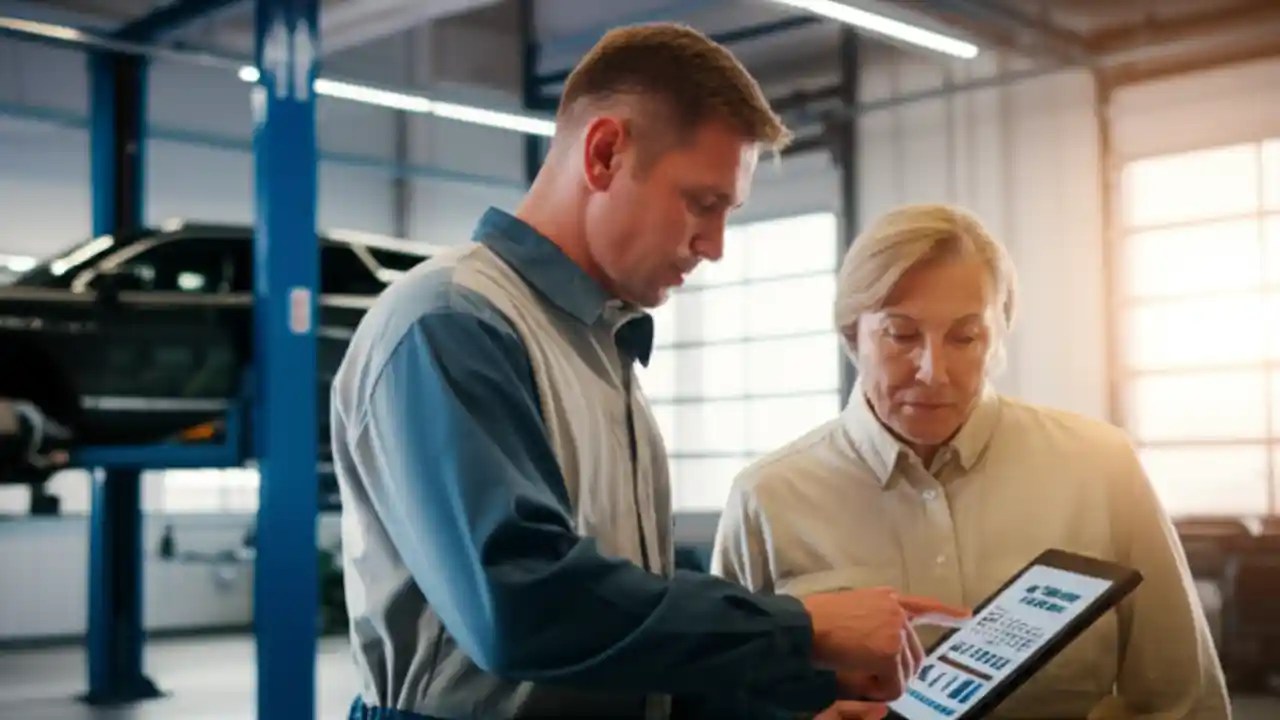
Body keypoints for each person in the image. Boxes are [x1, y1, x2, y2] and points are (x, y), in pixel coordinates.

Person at [331, 23, 967, 720]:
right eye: (703, 203)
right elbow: (522, 603)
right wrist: (803, 629)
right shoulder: (452, 322)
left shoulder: (600, 344)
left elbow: (626, 623)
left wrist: (798, 703)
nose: (715, 246)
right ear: (604, 154)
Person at [711, 203, 1233, 719]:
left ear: (998, 336)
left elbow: (1186, 703)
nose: (933, 371)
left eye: (965, 337)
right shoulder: (768, 499)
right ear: (852, 334)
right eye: (901, 334)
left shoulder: (1101, 468)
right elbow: (715, 702)